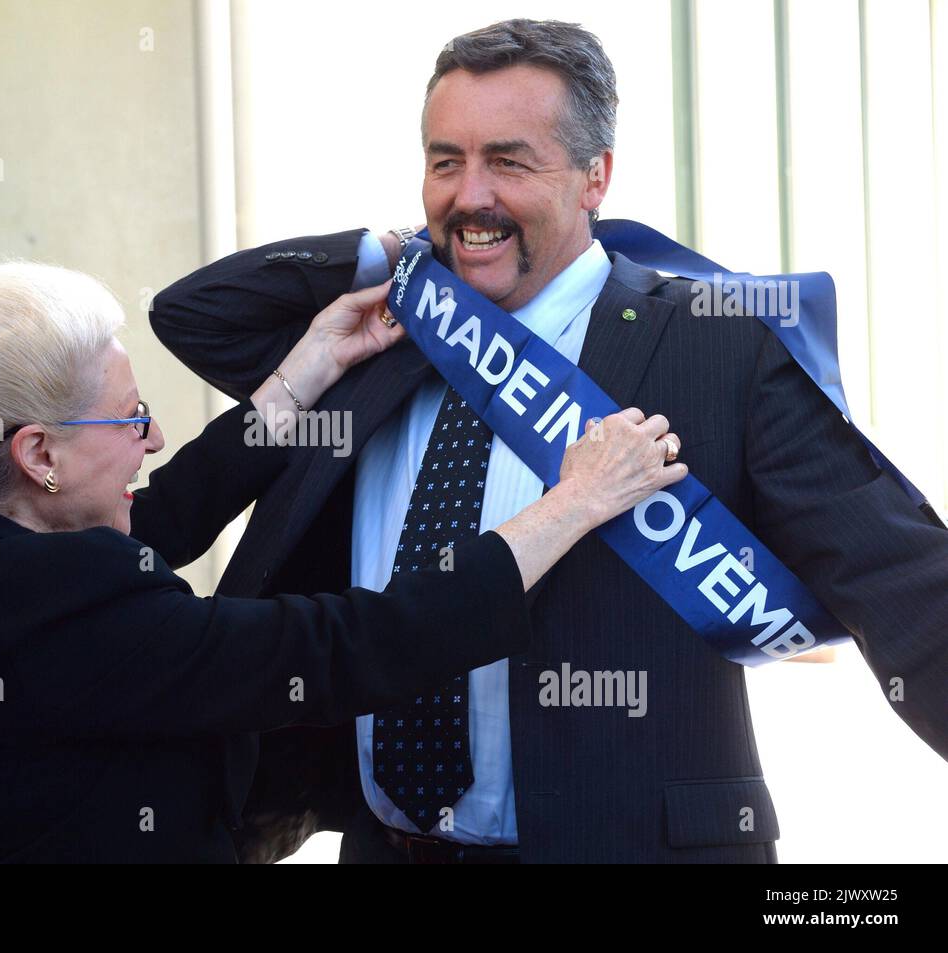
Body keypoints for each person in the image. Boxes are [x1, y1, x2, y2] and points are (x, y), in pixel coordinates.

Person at [150, 18, 948, 863]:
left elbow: (897, 578)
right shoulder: (386, 333)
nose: (470, 195)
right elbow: (193, 314)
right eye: (444, 161)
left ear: (595, 176)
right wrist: (385, 253)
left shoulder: (715, 347)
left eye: (509, 160)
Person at [0, 260, 684, 862]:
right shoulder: (68, 619)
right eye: (131, 418)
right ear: (38, 454)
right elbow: (345, 643)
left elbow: (157, 518)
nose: (154, 438)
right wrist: (573, 501)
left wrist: (303, 374)